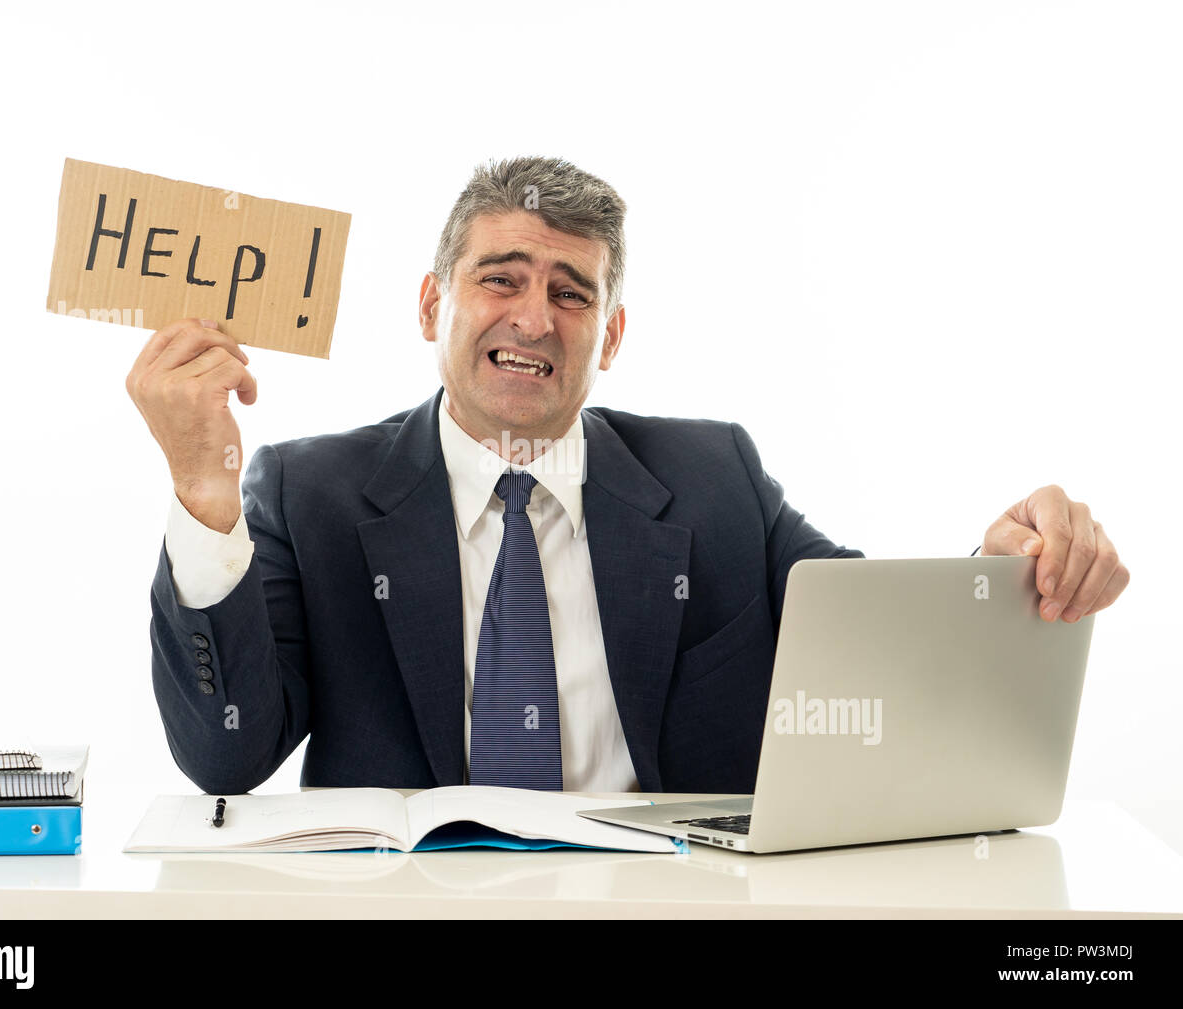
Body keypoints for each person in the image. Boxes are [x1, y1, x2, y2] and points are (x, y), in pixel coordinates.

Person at [126, 156, 1129, 796]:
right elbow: (226, 755)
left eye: (571, 293)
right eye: (501, 278)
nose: (533, 317)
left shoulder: (714, 476)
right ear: (432, 304)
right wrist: (203, 493)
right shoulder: (312, 492)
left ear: (608, 334)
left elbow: (872, 649)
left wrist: (995, 576)